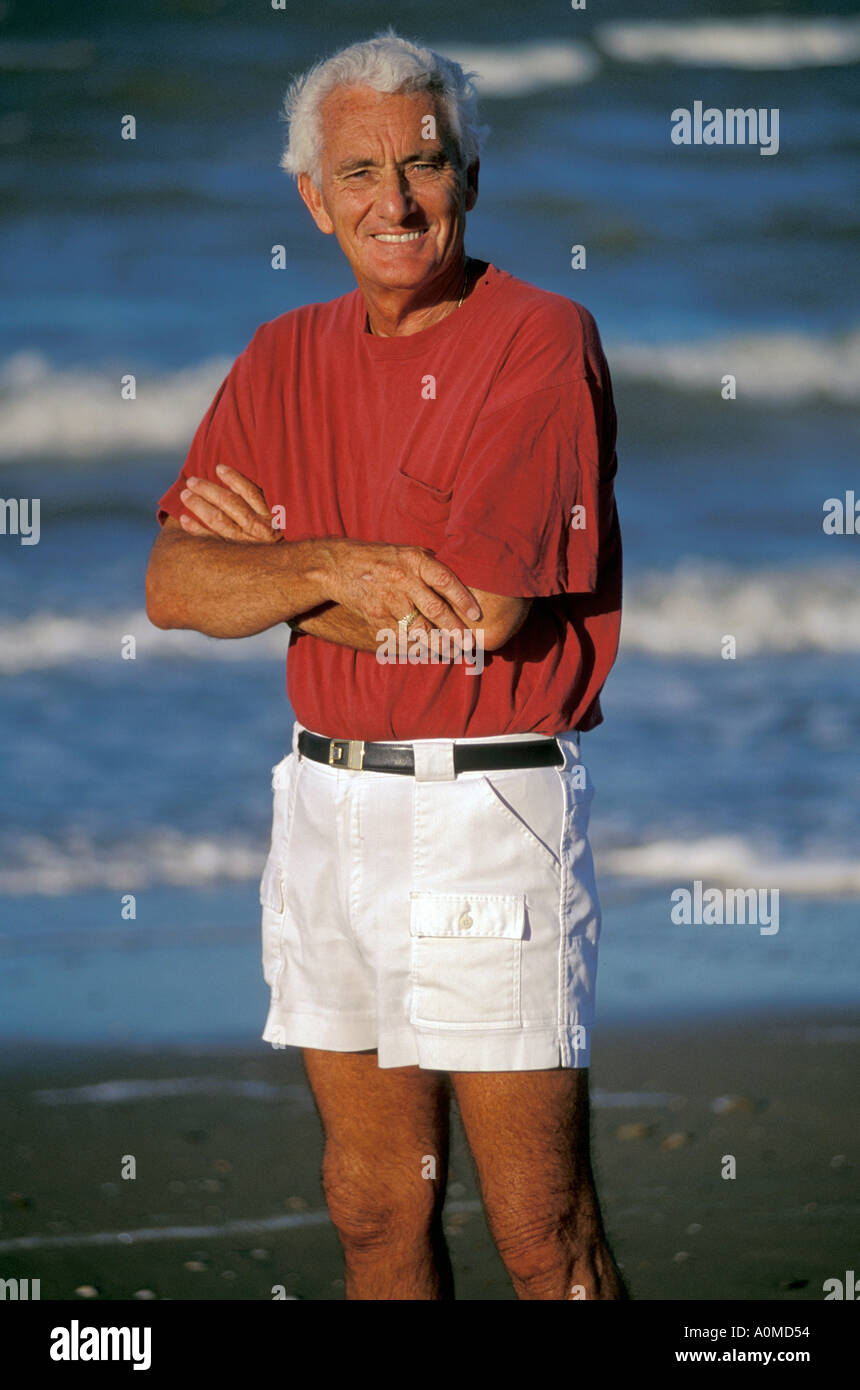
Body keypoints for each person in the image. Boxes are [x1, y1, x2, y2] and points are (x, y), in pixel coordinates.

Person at [146, 30, 625, 1301]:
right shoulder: (276, 355)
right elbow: (176, 586)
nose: (395, 202)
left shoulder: (539, 337)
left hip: (487, 806)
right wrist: (344, 564)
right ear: (311, 195)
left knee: (543, 1231)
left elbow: (480, 617)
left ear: (468, 175)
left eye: (424, 164)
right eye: (359, 171)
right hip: (322, 806)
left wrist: (288, 578)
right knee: (369, 1213)